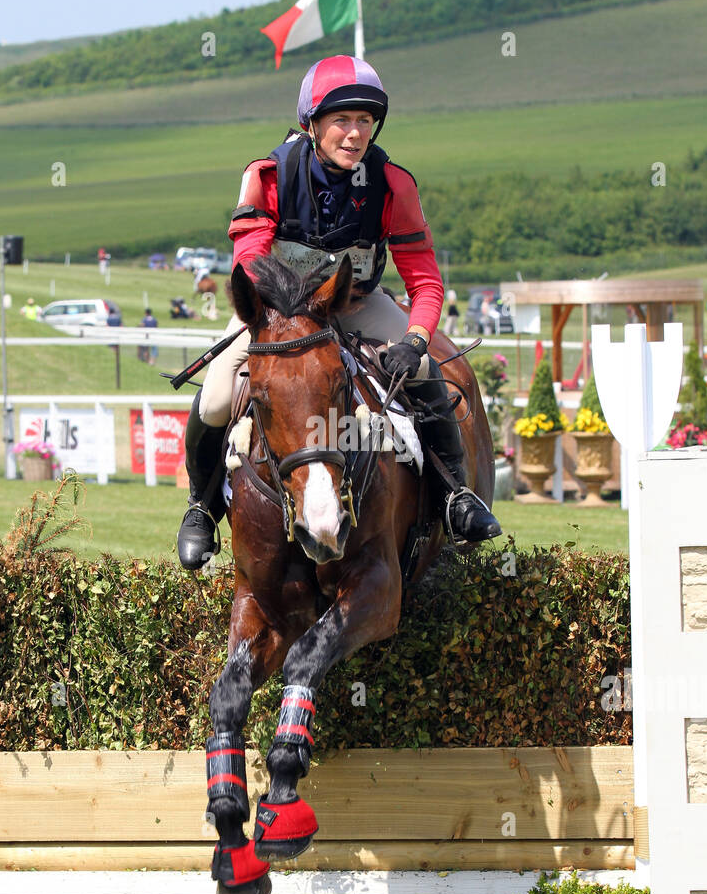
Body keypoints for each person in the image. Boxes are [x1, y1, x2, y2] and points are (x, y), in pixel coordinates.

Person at [177, 53, 501, 569]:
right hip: (278, 311)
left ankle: (455, 496)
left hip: (357, 304)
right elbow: (251, 260)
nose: (355, 134)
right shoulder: (268, 176)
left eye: (365, 122)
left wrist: (415, 339)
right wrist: (293, 314)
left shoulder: (393, 184)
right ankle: (202, 507)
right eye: (342, 121)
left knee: (425, 370)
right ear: (312, 124)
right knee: (217, 395)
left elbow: (423, 278)